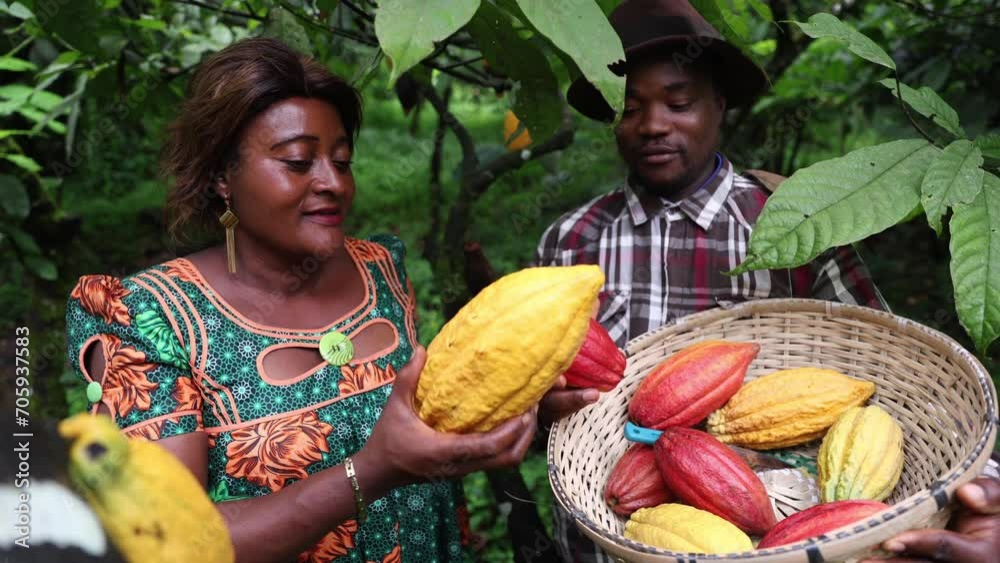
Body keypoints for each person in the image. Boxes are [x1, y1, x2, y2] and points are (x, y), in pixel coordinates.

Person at [535, 1, 1000, 561]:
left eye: (678, 103)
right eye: (630, 108)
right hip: (609, 531)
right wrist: (541, 411)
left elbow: (889, 382)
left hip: (775, 533)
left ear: (719, 104)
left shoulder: (793, 222)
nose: (654, 124)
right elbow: (534, 392)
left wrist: (980, 482)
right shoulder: (571, 242)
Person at [64, 37, 542, 563]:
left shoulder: (381, 268)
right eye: (297, 162)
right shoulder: (147, 318)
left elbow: (431, 416)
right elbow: (170, 540)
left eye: (343, 161)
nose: (332, 182)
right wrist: (374, 468)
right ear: (223, 176)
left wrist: (528, 399)